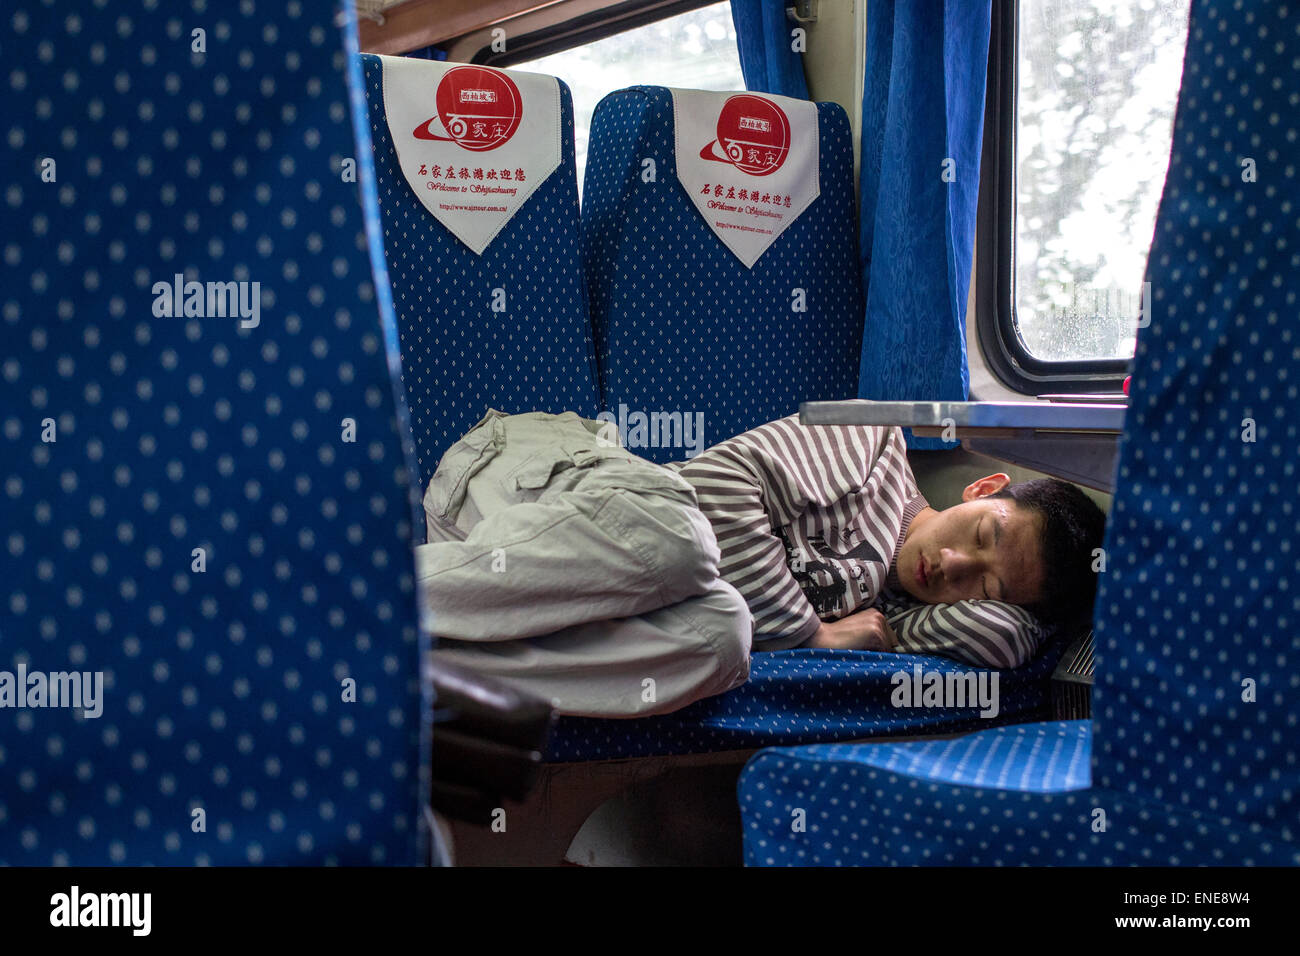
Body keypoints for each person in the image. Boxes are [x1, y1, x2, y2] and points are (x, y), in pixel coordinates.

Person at [415, 408, 1106, 718]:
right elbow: (716, 491)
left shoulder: (895, 613)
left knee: (724, 635)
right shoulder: (870, 444)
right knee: (683, 537)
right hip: (537, 476)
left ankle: (410, 662)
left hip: (530, 579)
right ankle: (354, 605)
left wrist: (1018, 611)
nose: (952, 565)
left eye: (983, 584)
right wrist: (813, 638)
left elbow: (1008, 642)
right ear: (981, 488)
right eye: (982, 534)